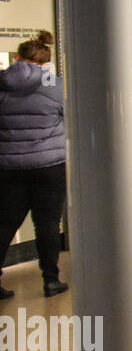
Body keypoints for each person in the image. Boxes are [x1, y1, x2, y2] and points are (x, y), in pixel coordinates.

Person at [0, 30, 68, 298]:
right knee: (48, 225)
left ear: (17, 57)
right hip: (49, 165)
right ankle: (51, 281)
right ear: (45, 60)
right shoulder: (54, 84)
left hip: (8, 167)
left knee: (4, 224)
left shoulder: (2, 83)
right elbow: (67, 113)